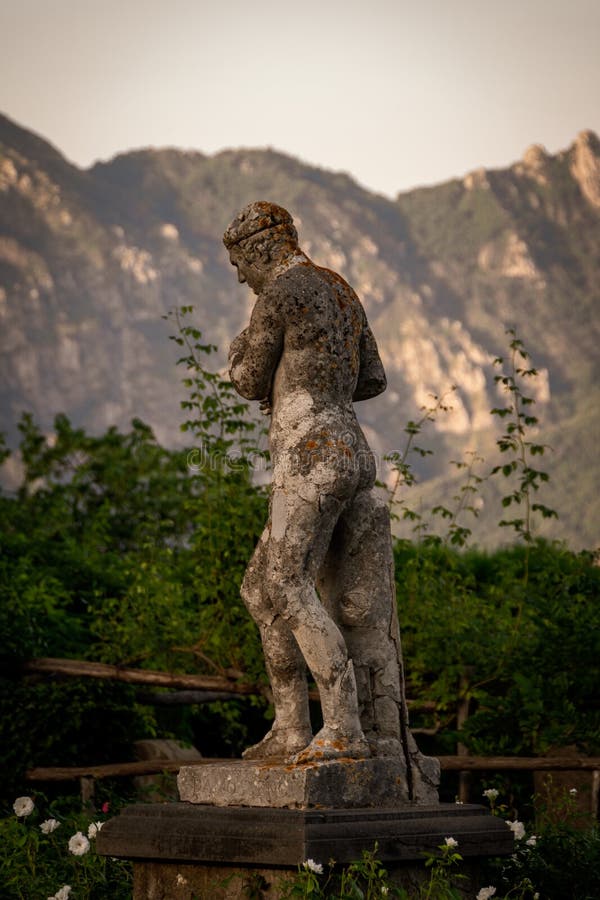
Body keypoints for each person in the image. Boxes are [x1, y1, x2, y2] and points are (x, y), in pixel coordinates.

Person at [224, 201, 392, 763]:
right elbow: (372, 378)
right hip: (348, 444)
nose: (241, 279)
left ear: (258, 251)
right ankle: (292, 726)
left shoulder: (281, 292)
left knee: (288, 582)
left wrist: (242, 355)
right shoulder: (340, 289)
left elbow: (248, 380)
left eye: (238, 265)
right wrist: (316, 376)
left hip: (311, 455)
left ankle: (343, 727)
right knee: (259, 589)